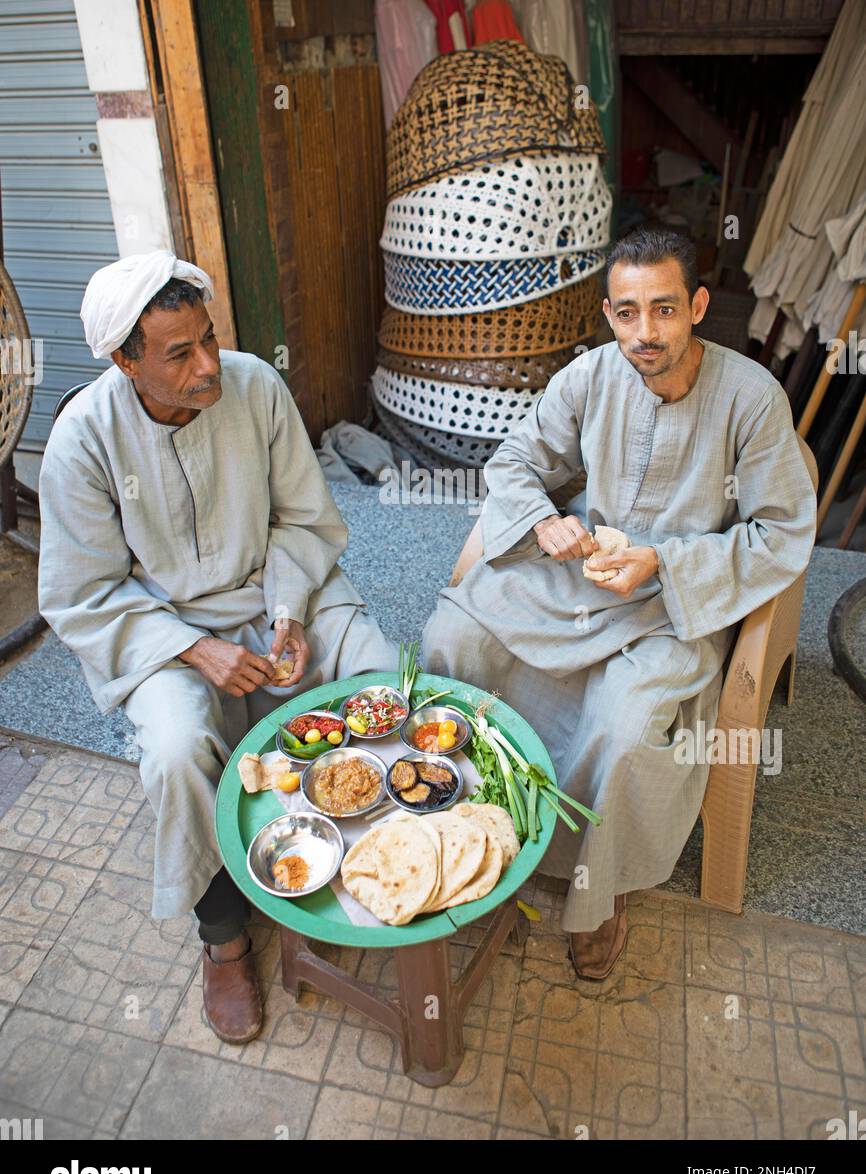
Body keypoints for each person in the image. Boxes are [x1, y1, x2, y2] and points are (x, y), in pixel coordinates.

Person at [422, 228, 816, 980]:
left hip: (673, 599)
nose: (646, 332)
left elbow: (781, 532)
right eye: (628, 312)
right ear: (609, 314)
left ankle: (595, 893)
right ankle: (471, 826)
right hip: (574, 578)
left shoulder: (751, 398)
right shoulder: (588, 376)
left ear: (697, 306)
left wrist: (665, 559)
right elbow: (516, 461)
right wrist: (544, 518)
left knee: (626, 727)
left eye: (664, 310)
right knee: (453, 639)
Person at [38, 251, 397, 1042]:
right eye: (179, 353)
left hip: (278, 587)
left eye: (208, 338)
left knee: (379, 676)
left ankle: (369, 862)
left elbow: (305, 520)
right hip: (161, 627)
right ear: (124, 361)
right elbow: (82, 596)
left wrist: (290, 612)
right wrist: (197, 649)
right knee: (174, 749)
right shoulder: (81, 443)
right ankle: (225, 935)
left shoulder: (254, 386)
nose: (208, 366)